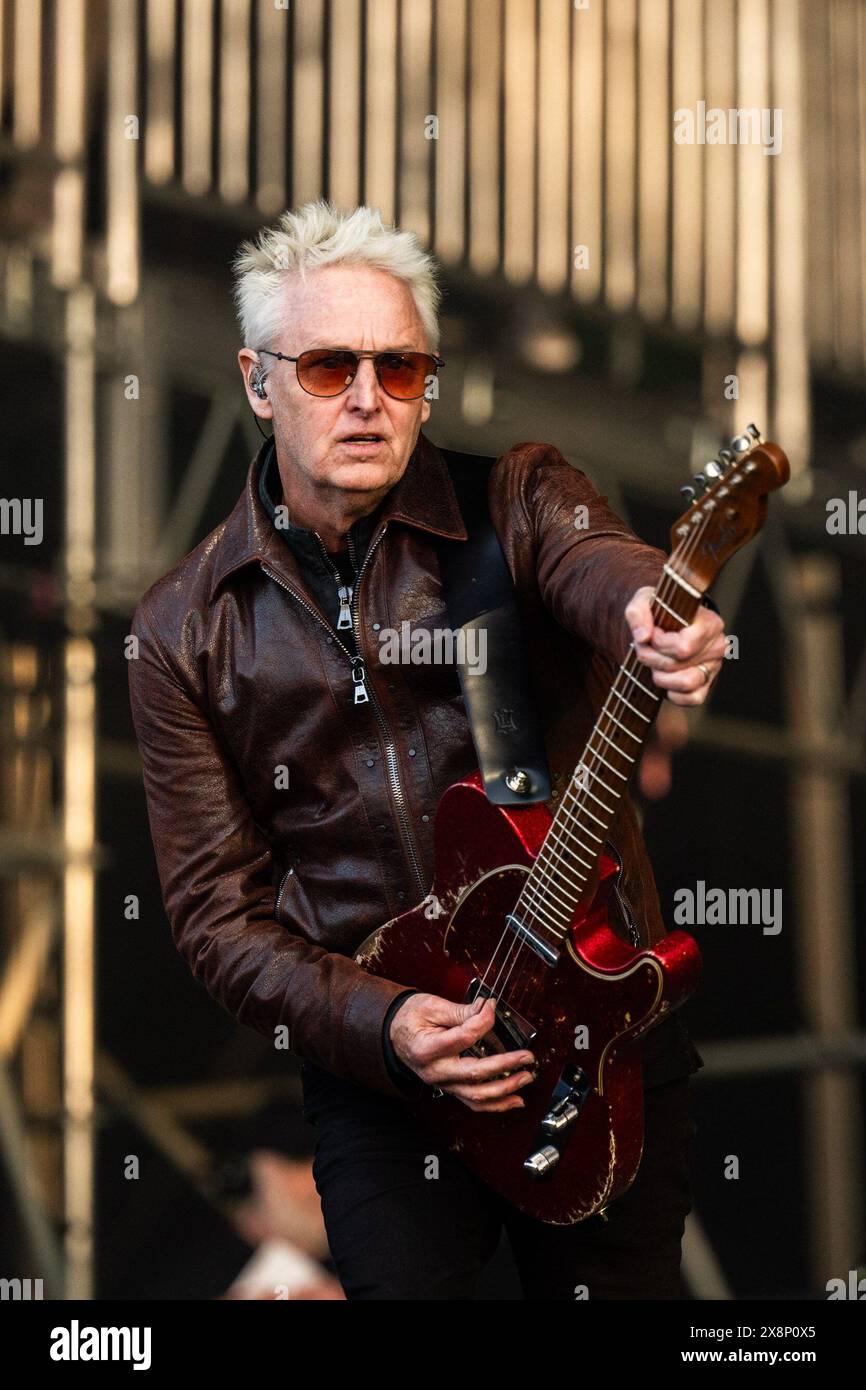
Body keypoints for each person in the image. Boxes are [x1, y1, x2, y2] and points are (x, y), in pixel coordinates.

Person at [128, 200, 725, 1300]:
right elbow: (217, 921)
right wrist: (385, 1020)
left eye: (399, 369)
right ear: (258, 384)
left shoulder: (515, 499)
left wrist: (657, 610)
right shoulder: (183, 626)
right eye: (327, 367)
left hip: (589, 1024)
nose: (367, 396)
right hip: (383, 1072)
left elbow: (601, 566)